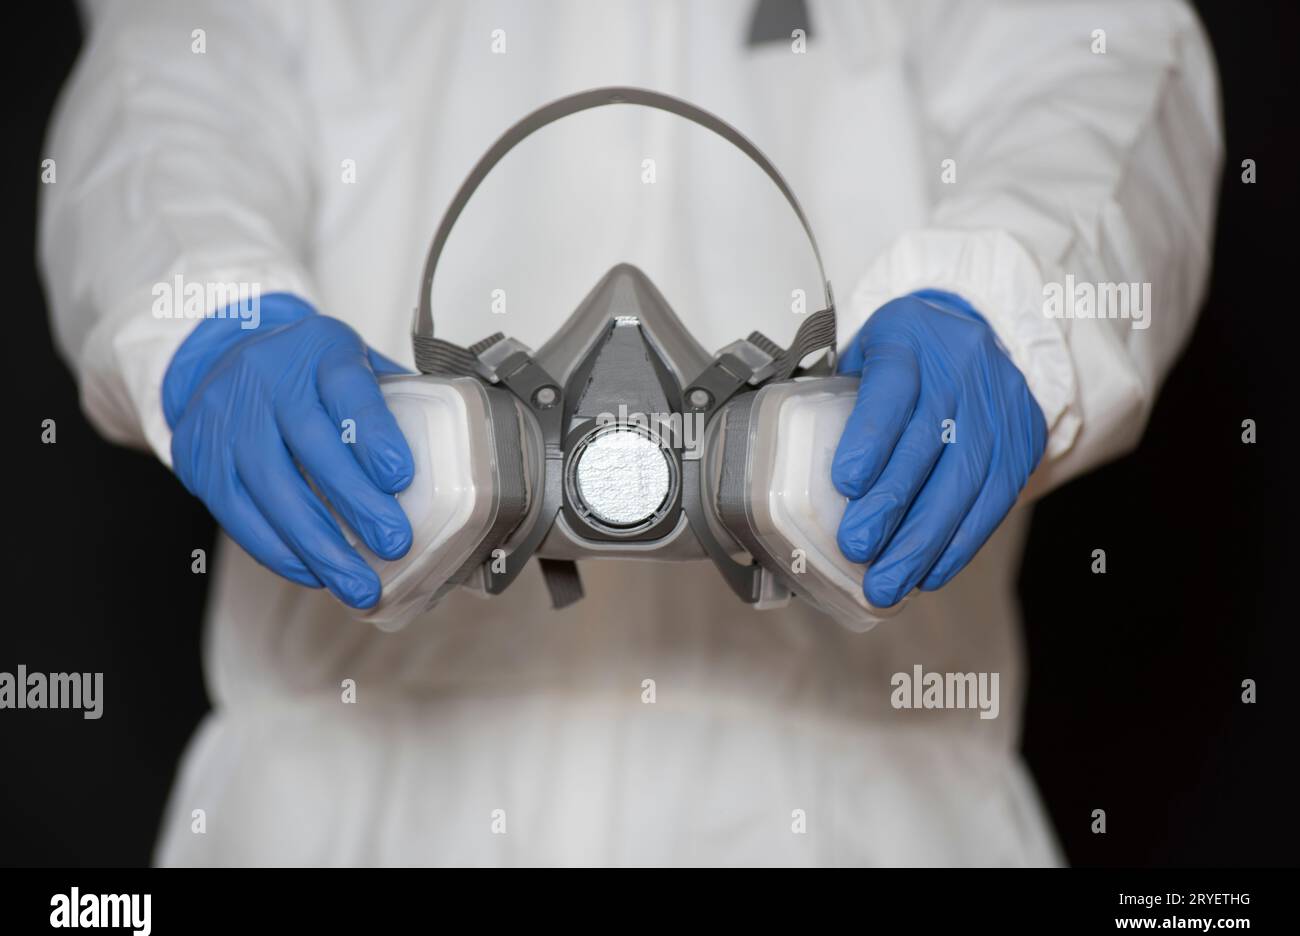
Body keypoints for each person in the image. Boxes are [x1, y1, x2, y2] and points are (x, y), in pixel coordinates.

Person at [40, 0, 1220, 866]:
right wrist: (206, 310)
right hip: (336, 808)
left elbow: (1093, 62)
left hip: (868, 809)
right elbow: (179, 77)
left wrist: (1011, 301)